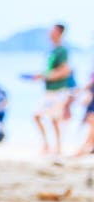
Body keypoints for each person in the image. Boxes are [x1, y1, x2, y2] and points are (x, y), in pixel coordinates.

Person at [32, 24, 73, 156]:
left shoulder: (62, 51)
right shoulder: (52, 51)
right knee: (41, 117)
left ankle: (57, 147)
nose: (49, 33)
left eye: (52, 30)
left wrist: (46, 76)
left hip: (58, 91)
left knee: (53, 118)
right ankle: (48, 145)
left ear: (59, 33)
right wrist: (42, 75)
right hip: (50, 91)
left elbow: (66, 71)